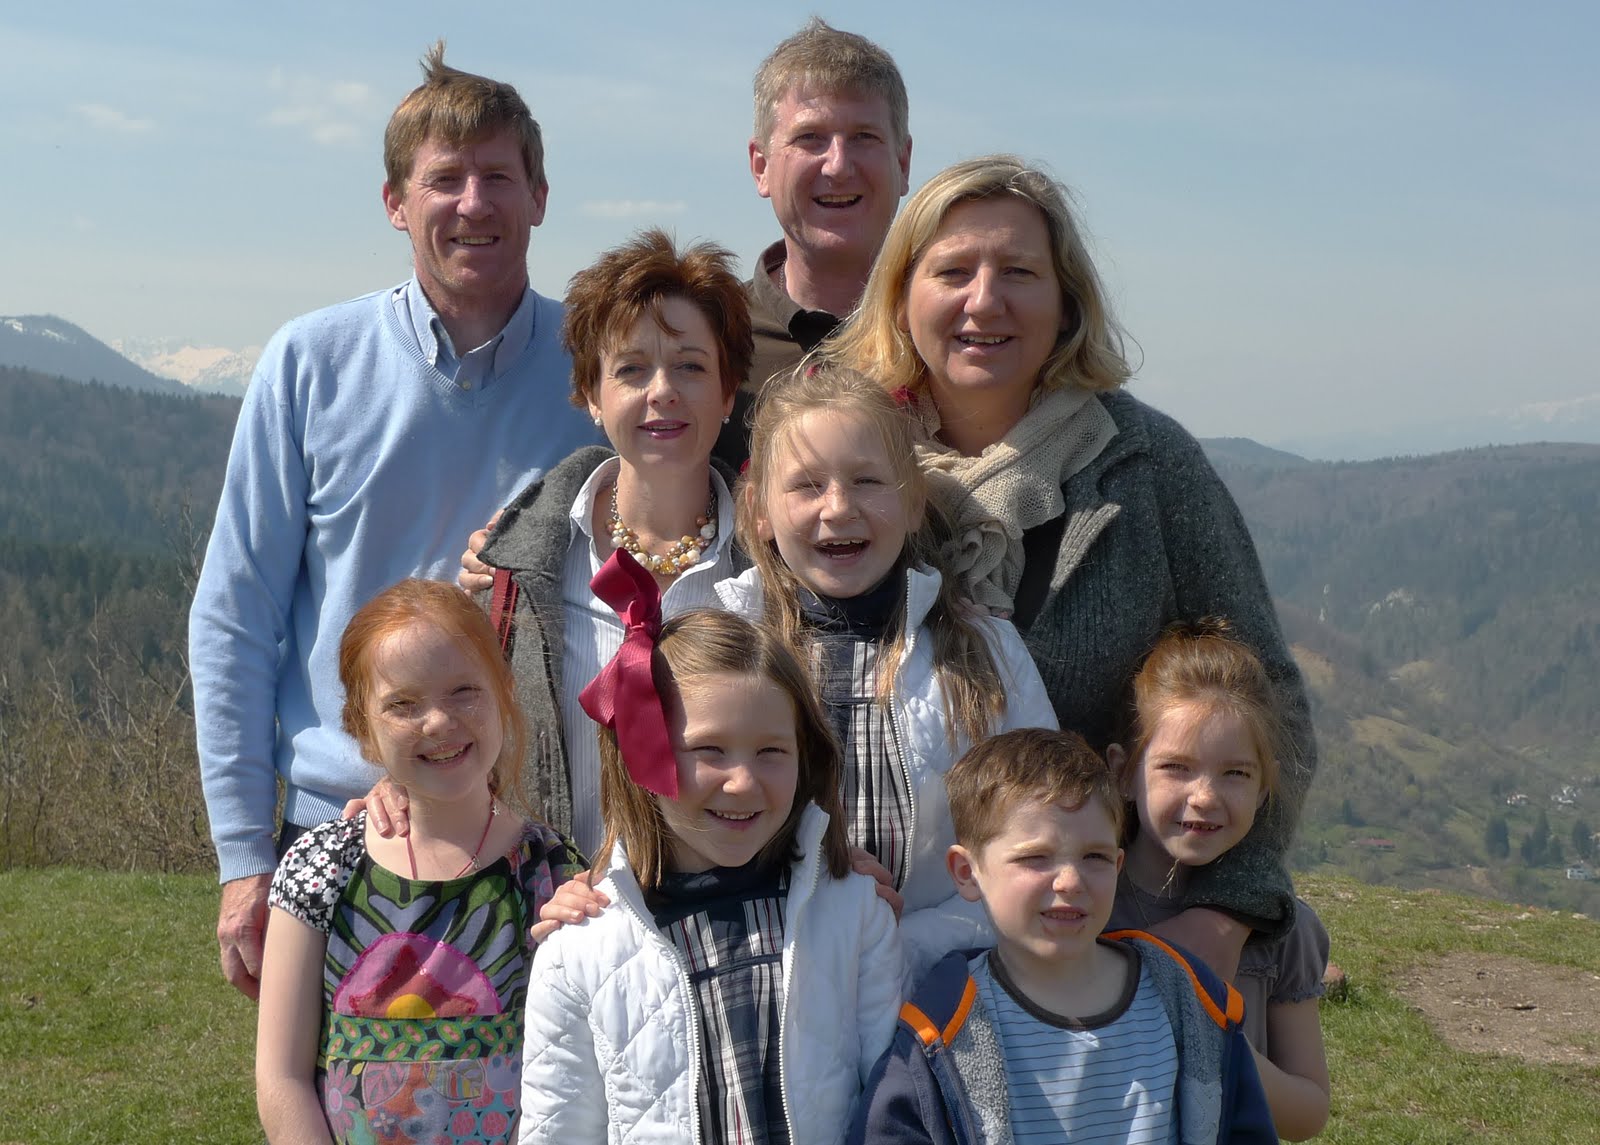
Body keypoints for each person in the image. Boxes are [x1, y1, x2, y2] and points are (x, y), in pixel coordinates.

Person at [824, 155, 1318, 977]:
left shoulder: (1146, 465)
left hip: (1115, 942)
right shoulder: (846, 465)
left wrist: (1223, 911)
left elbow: (1272, 704)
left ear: (1067, 301)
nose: (985, 299)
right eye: (953, 271)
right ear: (902, 296)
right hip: (887, 943)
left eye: (1019, 272)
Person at [190, 43, 597, 999]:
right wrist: (245, 856)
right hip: (339, 834)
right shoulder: (309, 363)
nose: (472, 203)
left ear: (540, 196)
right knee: (327, 1086)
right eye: (444, 179)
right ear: (394, 203)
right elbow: (235, 618)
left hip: (538, 843)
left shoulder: (600, 371)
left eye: (498, 176)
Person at [721, 361, 1057, 978]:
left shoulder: (986, 653)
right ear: (760, 511)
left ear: (912, 502)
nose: (838, 507)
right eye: (806, 486)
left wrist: (904, 941)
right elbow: (669, 834)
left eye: (867, 481)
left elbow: (1043, 848)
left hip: (940, 997)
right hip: (771, 988)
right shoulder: (723, 651)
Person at [519, 604, 902, 1143]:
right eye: (709, 750)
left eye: (771, 751)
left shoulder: (853, 913)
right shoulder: (579, 949)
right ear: (641, 756)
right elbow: (556, 1130)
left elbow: (894, 1107)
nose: (743, 782)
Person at [255, 580, 583, 1144]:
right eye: (403, 704)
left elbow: (579, 1075)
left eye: (463, 691)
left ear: (504, 693)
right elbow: (281, 1077)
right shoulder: (320, 867)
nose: (437, 722)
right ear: (363, 728)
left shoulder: (551, 876)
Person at [849, 727, 1277, 1145]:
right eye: (1036, 857)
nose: (1071, 881)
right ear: (967, 872)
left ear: (1118, 865)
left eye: (1095, 857)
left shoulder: (1188, 1001)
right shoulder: (940, 1029)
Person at [472, 229, 750, 858]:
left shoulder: (776, 568)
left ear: (729, 392)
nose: (662, 390)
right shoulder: (518, 574)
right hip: (555, 905)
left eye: (691, 366)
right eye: (631, 369)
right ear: (591, 396)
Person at [1108, 622, 1331, 1140]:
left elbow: (1309, 1113)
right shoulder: (1088, 909)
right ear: (1124, 773)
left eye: (1235, 773)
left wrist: (1222, 1042)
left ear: (1264, 787)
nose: (1205, 796)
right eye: (1176, 767)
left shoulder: (1281, 930)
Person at [713, 17, 913, 467]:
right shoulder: (710, 342)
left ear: (903, 163)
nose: (838, 165)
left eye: (864, 137)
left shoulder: (954, 336)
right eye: (810, 138)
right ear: (761, 166)